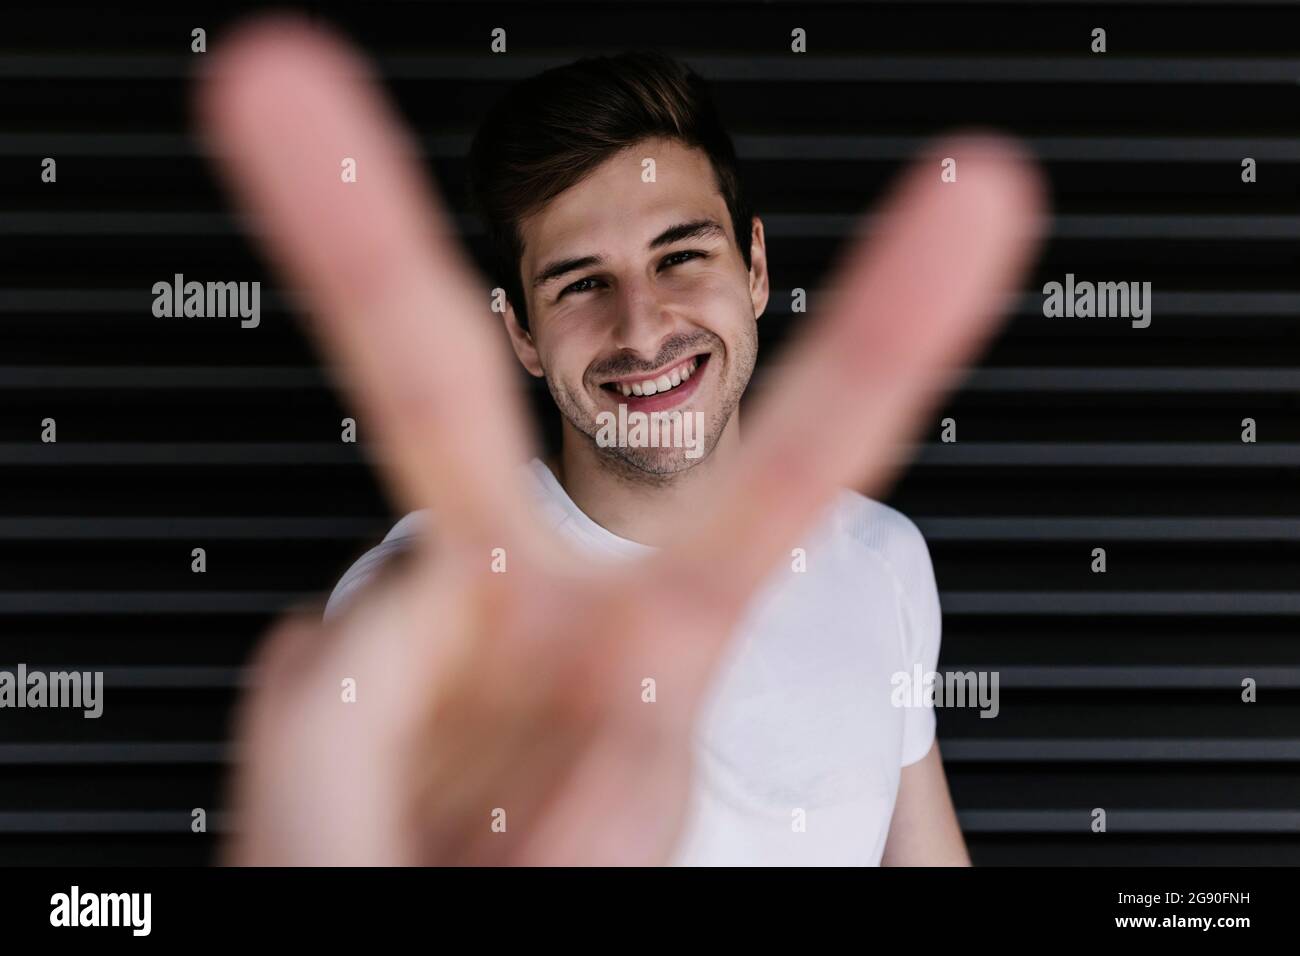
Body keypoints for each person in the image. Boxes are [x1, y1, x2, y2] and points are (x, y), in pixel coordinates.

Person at [201, 15, 1045, 866]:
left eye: (680, 258)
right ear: (523, 336)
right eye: (581, 284)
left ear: (754, 268)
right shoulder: (429, 617)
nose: (641, 330)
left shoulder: (883, 559)